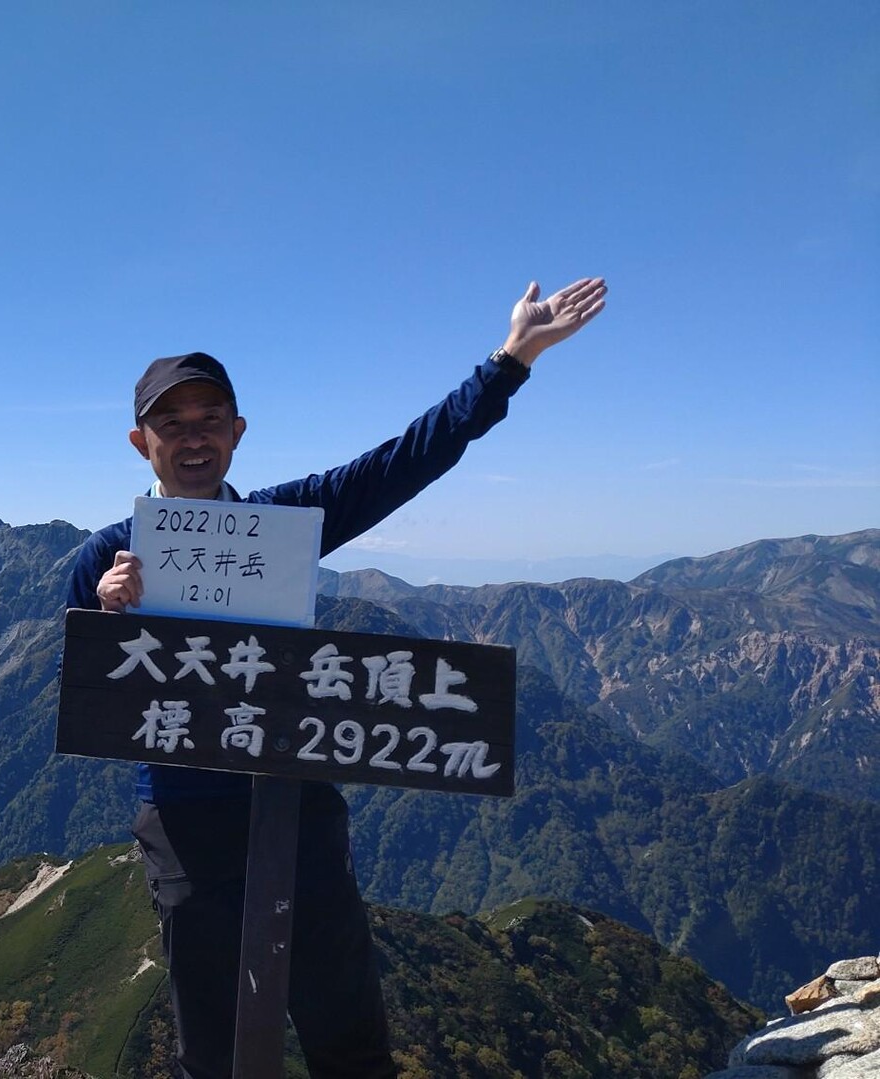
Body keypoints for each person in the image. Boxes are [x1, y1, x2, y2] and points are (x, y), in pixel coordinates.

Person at [63, 278, 607, 1079]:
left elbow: (398, 465)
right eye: (170, 424)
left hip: (297, 806)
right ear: (141, 442)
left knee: (350, 1040)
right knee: (210, 1052)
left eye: (210, 419)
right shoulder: (106, 557)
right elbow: (81, 691)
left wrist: (511, 358)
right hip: (186, 823)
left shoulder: (280, 526)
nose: (193, 437)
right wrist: (111, 618)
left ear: (238, 430)